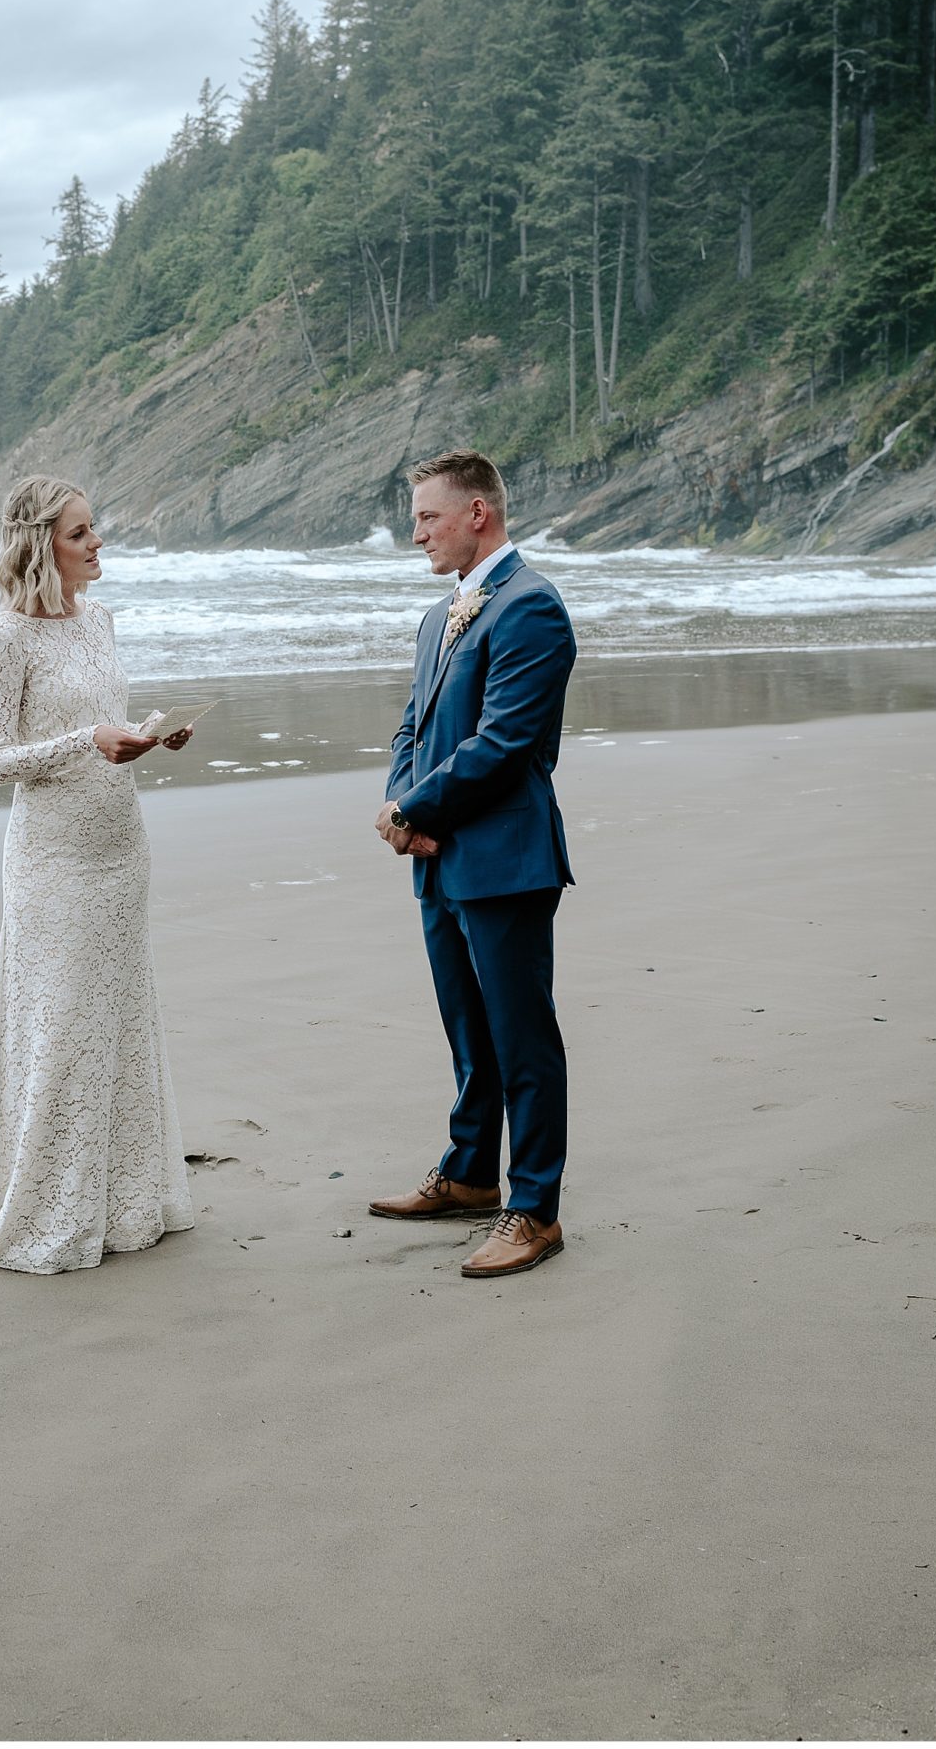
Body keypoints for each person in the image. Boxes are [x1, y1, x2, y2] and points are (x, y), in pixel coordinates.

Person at [0, 474, 196, 1273]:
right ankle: (45, 1208)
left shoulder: (101, 621)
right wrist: (88, 741)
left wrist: (145, 737)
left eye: (97, 529)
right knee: (59, 1027)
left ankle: (125, 1203)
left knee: (118, 1017)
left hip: (123, 843)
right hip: (53, 857)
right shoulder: (1, 642)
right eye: (81, 533)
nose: (98, 545)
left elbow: (104, 717)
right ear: (39, 544)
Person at [371, 450, 576, 1278]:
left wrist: (413, 811)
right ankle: (468, 1176)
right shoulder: (439, 615)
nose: (414, 532)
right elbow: (411, 730)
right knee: (468, 1030)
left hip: (504, 860)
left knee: (522, 1038)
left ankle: (534, 1210)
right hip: (436, 857)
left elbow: (503, 744)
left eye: (426, 517)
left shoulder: (532, 608)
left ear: (477, 515)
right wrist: (399, 809)